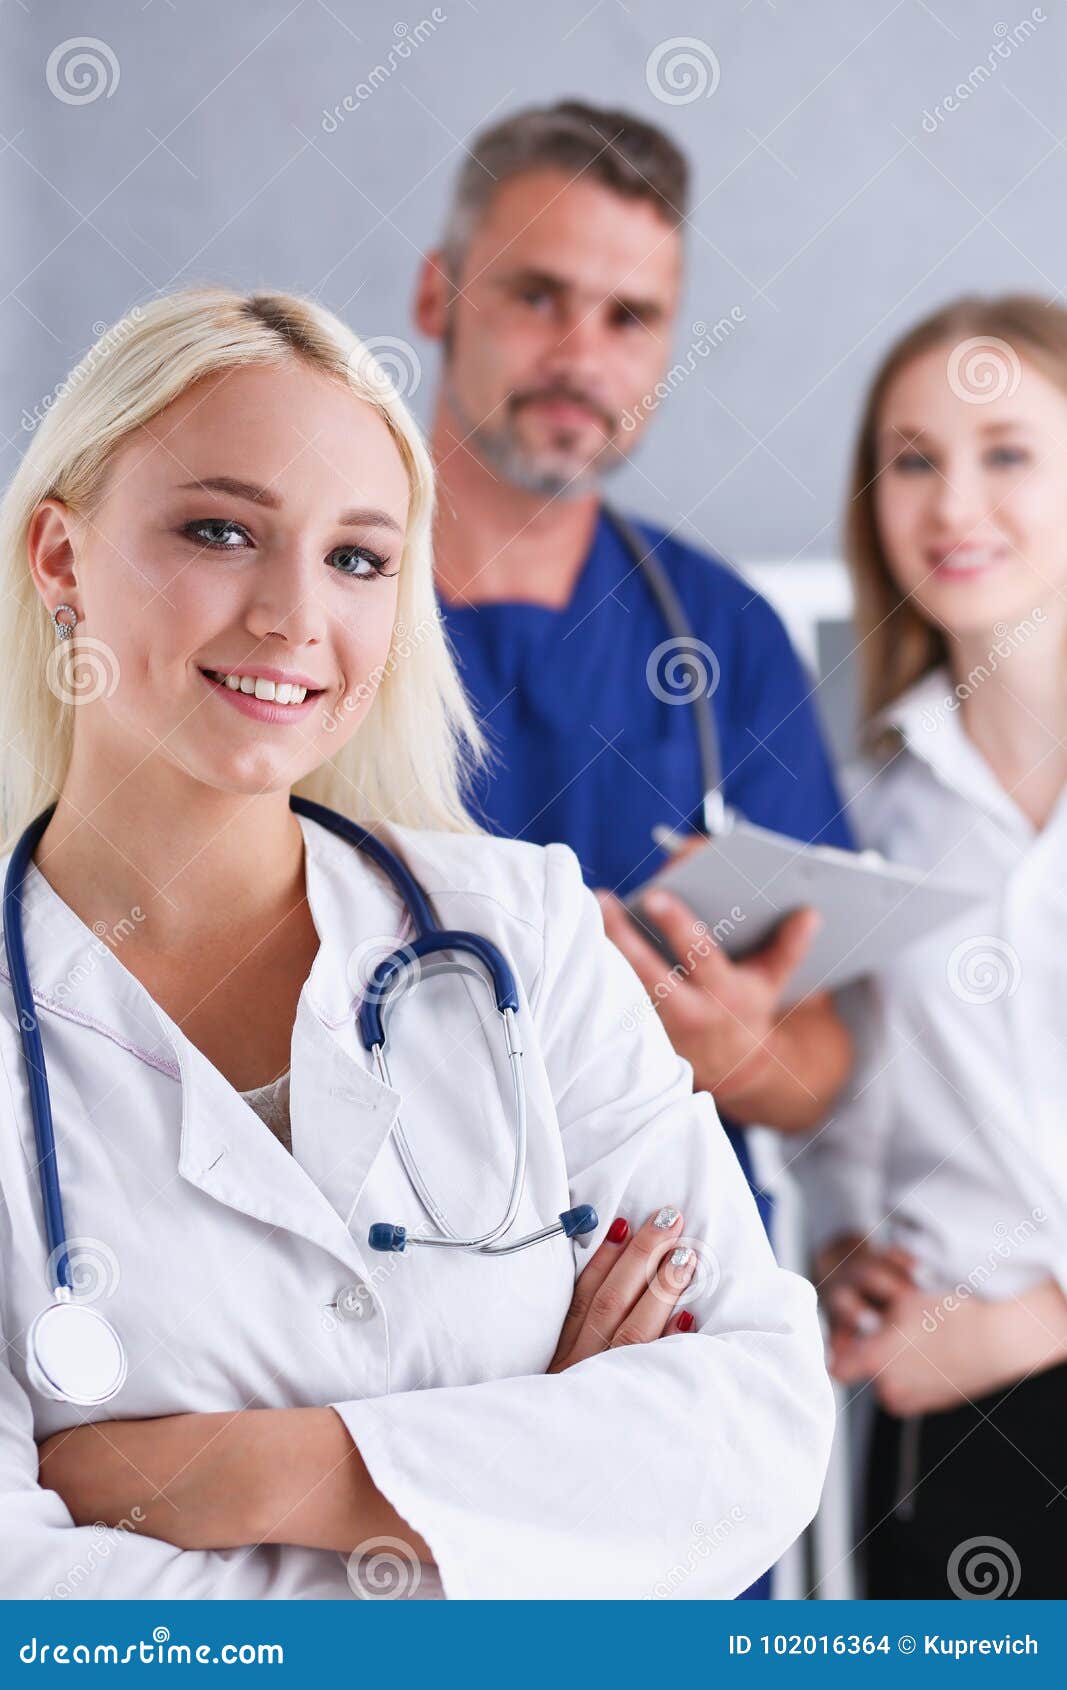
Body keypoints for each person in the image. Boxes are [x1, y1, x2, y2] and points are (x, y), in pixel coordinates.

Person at [0, 286, 834, 1601]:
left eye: (357, 559)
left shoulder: (524, 932)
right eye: (219, 530)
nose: (291, 616)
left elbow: (755, 1422)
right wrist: (533, 1493)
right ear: (60, 559)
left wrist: (272, 1473)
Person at [415, 99, 853, 1232]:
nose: (580, 357)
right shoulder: (301, 608)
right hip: (370, 1285)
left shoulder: (719, 633)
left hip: (666, 1295)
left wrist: (738, 1048)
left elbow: (824, 1052)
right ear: (436, 295)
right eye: (535, 295)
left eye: (629, 317)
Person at [796, 295, 1067, 1599]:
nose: (950, 502)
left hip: (1008, 1350)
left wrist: (1039, 1317)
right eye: (910, 458)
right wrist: (842, 1258)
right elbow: (840, 1117)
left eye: (1003, 450)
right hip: (952, 1441)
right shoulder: (857, 820)